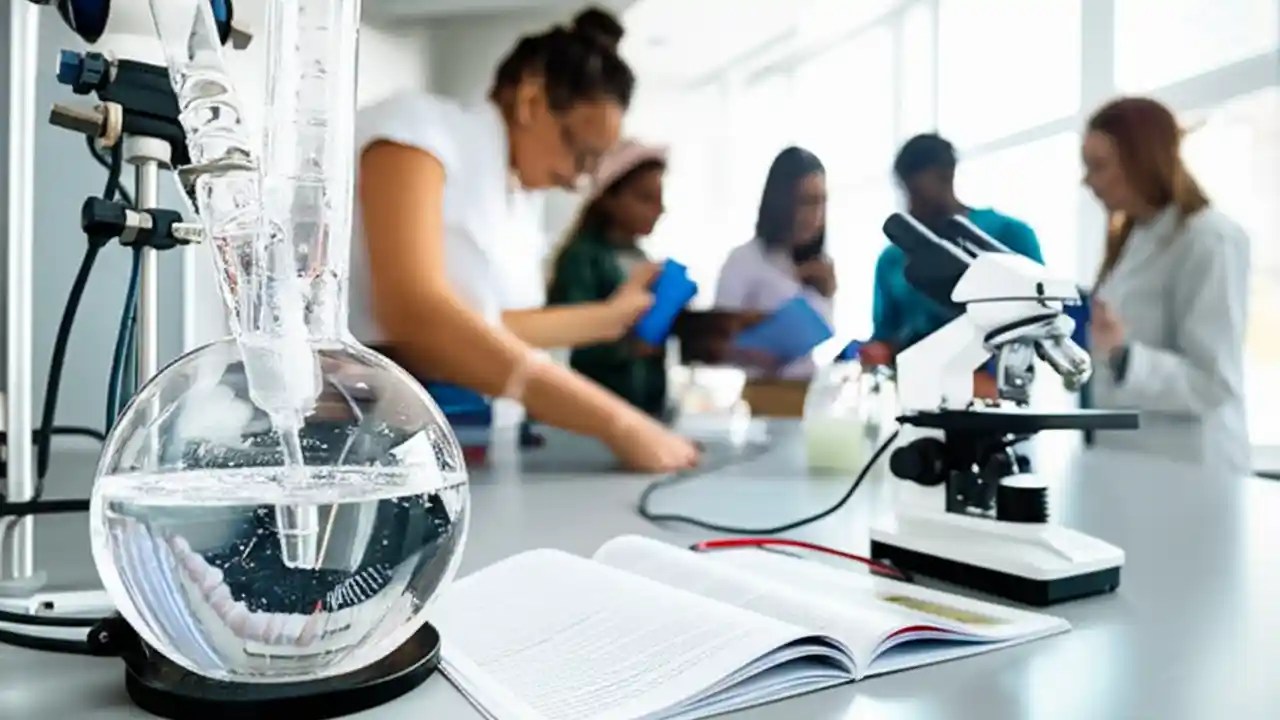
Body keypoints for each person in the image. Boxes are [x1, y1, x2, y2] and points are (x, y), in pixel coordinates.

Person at [351, 8, 699, 472]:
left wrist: (612, 318)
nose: (581, 180)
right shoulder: (417, 132)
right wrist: (617, 422)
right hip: (362, 439)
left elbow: (488, 327)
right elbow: (418, 316)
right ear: (532, 101)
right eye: (582, 154)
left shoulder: (515, 197)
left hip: (462, 440)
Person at [1081, 97, 1251, 473]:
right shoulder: (1133, 240)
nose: (1088, 182)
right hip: (1135, 468)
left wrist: (1123, 356)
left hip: (1195, 470)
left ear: (1142, 159)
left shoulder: (1209, 238)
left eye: (1099, 167)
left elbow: (1214, 383)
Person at [864, 134, 1045, 396]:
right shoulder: (892, 259)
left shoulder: (1009, 235)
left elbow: (1037, 317)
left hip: (992, 390)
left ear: (947, 176)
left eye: (918, 193)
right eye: (906, 193)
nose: (912, 206)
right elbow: (885, 334)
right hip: (915, 391)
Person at [547, 140, 670, 418]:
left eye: (660, 199)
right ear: (608, 198)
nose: (659, 209)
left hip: (643, 408)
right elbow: (566, 332)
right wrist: (628, 347)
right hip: (593, 410)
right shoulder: (582, 259)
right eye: (645, 198)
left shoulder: (642, 259)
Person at [714, 146, 835, 378]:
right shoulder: (744, 260)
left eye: (821, 202)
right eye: (805, 202)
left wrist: (828, 294)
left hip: (805, 391)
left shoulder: (821, 266)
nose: (815, 215)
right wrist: (751, 347)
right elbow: (717, 341)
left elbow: (822, 338)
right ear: (780, 202)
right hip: (756, 392)